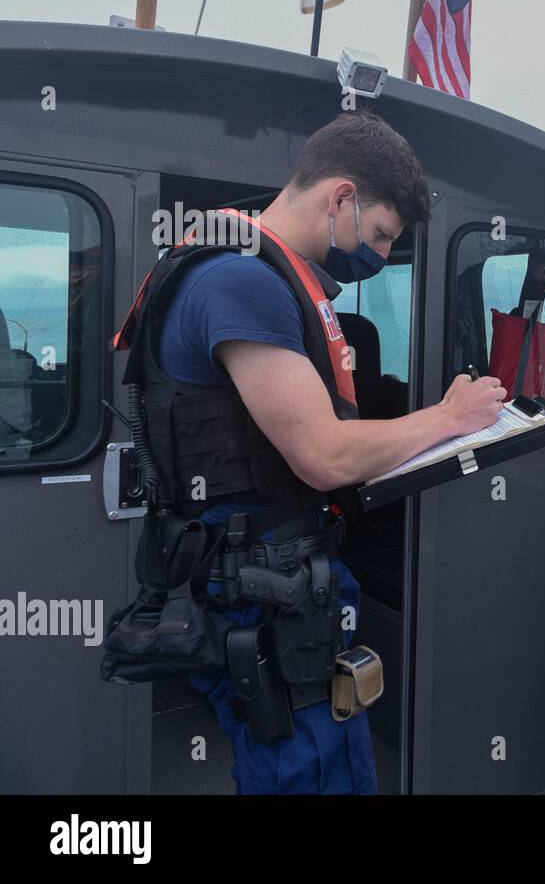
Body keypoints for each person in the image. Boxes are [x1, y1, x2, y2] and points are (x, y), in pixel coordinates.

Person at [114, 111, 506, 793]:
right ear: (341, 198)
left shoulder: (242, 266)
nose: (380, 256)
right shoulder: (243, 281)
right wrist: (450, 416)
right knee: (308, 775)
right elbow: (323, 456)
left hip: (272, 583)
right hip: (264, 598)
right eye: (381, 234)